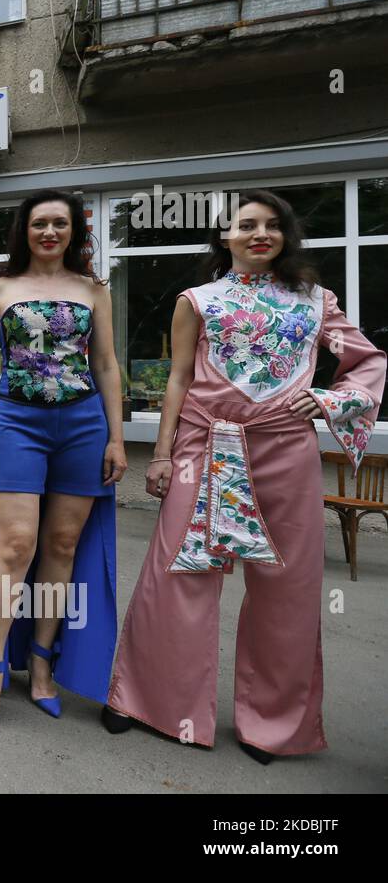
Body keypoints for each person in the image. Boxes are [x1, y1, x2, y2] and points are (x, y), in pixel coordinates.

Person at [104, 190, 385, 763]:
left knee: (287, 586)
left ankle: (273, 725)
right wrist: (161, 455)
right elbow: (178, 381)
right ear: (224, 238)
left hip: (287, 451)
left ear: (285, 237)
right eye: (246, 225)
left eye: (272, 225)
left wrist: (332, 399)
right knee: (178, 574)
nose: (260, 233)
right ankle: (149, 701)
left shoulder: (316, 303)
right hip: (202, 446)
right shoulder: (198, 300)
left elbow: (369, 363)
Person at [0, 190, 127, 733]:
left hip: (83, 425)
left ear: (73, 231)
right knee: (16, 546)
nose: (50, 232)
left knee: (62, 546)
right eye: (40, 224)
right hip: (16, 422)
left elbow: (105, 364)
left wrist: (117, 438)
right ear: (25, 231)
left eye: (60, 223)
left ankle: (40, 661)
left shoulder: (93, 290)